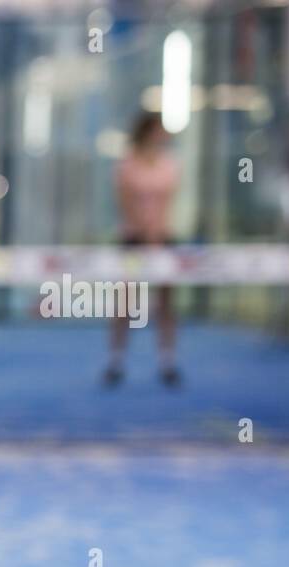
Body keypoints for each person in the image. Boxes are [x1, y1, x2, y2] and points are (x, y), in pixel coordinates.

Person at [105, 111, 182, 387]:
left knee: (166, 303)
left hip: (164, 238)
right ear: (148, 131)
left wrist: (157, 236)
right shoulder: (127, 165)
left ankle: (168, 362)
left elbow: (168, 202)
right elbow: (125, 203)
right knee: (125, 303)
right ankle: (116, 361)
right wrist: (143, 234)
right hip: (133, 239)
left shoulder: (169, 165)